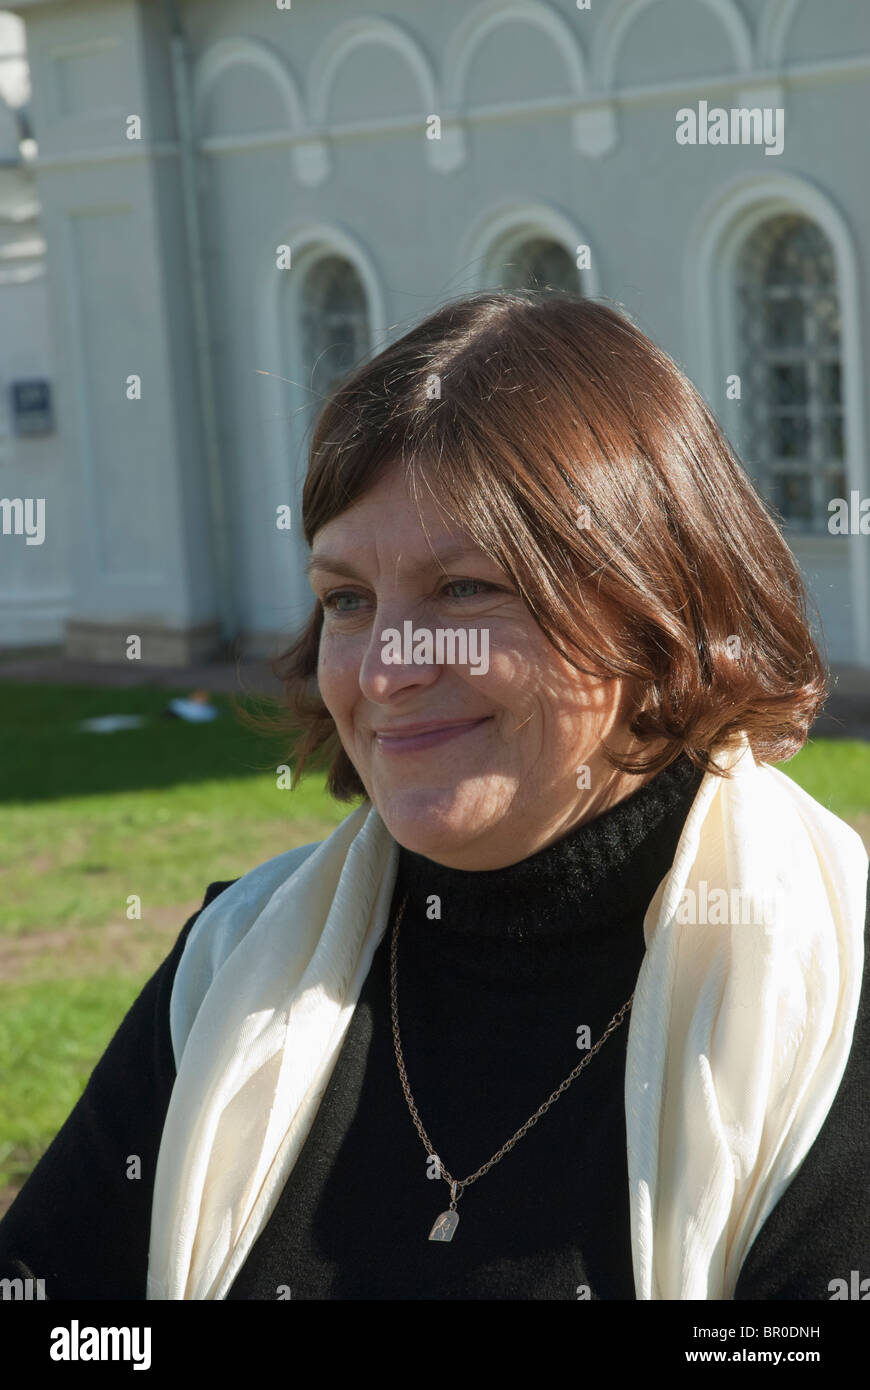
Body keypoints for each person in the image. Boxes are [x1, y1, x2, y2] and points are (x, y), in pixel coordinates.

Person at [1, 292, 867, 1301]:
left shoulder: (828, 996)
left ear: (652, 608)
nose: (384, 670)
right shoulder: (236, 964)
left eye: (465, 589)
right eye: (347, 601)